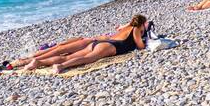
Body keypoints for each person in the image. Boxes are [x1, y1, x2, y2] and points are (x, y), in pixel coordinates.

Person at [12, 15, 148, 73]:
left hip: (101, 42)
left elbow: (121, 29)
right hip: (112, 47)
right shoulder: (136, 29)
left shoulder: (126, 27)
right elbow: (140, 46)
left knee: (68, 55)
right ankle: (61, 66)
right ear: (141, 24)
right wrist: (142, 38)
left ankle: (37, 62)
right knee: (86, 59)